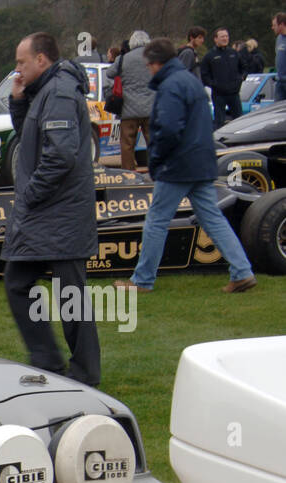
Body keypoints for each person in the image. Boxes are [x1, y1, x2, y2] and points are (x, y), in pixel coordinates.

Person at [117, 39, 255, 295]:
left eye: (149, 64)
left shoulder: (170, 87)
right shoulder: (190, 81)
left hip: (178, 165)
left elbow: (168, 130)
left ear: (157, 63)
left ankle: (142, 280)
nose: (148, 69)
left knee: (156, 220)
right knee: (212, 218)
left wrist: (156, 161)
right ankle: (242, 271)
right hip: (201, 161)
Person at [2, 33, 100, 386]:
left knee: (70, 294)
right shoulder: (44, 91)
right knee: (19, 282)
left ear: (41, 60)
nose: (18, 70)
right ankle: (48, 362)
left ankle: (84, 373)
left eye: (22, 62)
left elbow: (60, 155)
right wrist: (18, 102)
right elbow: (33, 137)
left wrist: (29, 195)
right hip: (48, 213)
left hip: (59, 212)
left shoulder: (58, 92)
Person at [107, 31, 154, 170]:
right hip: (150, 108)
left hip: (128, 109)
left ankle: (129, 173)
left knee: (127, 145)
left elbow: (109, 73)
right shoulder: (154, 58)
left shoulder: (123, 59)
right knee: (154, 143)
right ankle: (156, 172)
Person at [201, 28, 245, 126]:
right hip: (219, 95)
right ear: (215, 39)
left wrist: (240, 79)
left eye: (226, 36)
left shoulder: (234, 53)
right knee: (219, 122)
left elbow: (244, 68)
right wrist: (214, 84)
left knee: (240, 122)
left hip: (234, 94)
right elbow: (204, 75)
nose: (225, 38)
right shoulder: (209, 56)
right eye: (222, 37)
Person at [275, 13, 286, 99]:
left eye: (274, 25)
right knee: (276, 111)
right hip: (279, 82)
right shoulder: (279, 38)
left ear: (281, 24)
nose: (272, 27)